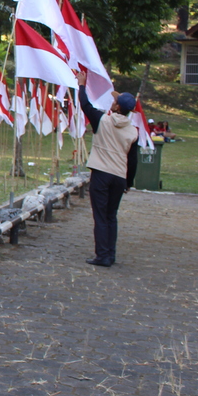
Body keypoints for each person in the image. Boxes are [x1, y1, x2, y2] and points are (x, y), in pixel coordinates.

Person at [77, 70, 139, 267]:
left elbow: (85, 105)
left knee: (100, 216)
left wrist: (81, 85)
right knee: (111, 216)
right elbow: (133, 160)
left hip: (102, 173)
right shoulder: (133, 131)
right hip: (119, 176)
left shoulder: (102, 121)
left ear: (116, 105)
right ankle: (110, 254)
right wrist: (129, 182)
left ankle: (102, 255)